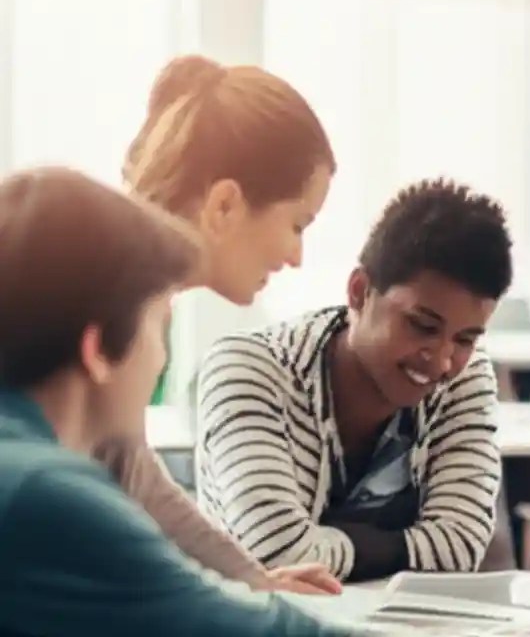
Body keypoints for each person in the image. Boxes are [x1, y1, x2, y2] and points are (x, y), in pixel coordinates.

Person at [0, 167, 347, 636]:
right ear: (98, 349)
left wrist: (252, 581)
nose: (162, 359)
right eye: (160, 326)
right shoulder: (49, 494)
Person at [93, 54, 340, 594]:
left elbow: (136, 473)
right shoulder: (112, 296)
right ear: (225, 204)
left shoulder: (147, 298)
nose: (296, 256)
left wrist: (252, 579)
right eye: (296, 224)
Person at [196, 178, 508, 582]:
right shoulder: (248, 368)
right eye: (421, 326)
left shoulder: (464, 378)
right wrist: (411, 546)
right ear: (359, 292)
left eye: (465, 339)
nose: (444, 361)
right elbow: (278, 554)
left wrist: (323, 546)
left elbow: (460, 546)